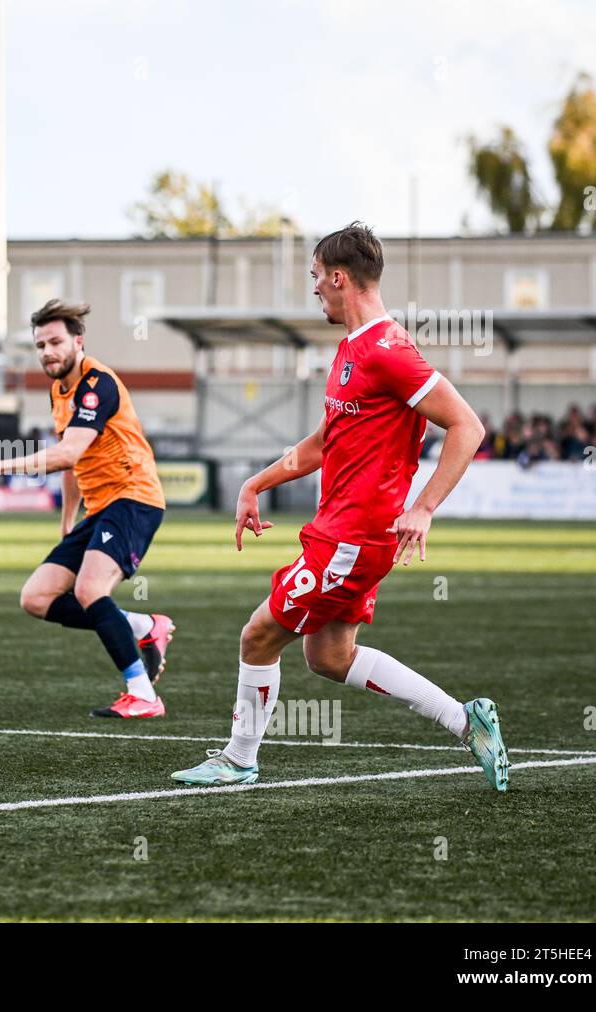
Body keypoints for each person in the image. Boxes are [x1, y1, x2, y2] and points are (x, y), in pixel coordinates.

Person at [169, 223, 509, 792]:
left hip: (351, 539)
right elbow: (322, 445)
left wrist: (424, 507)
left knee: (257, 636)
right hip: (342, 535)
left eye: (314, 279)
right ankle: (463, 718)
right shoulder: (353, 350)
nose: (313, 291)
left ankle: (238, 759)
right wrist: (256, 482)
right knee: (328, 656)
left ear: (338, 277)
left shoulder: (388, 350)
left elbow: (466, 426)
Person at [0, 299, 173, 719]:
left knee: (89, 591)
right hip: (100, 509)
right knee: (37, 597)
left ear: (78, 342)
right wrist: (66, 523)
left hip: (133, 498)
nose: (47, 352)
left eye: (55, 342)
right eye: (40, 345)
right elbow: (73, 462)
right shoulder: (58, 390)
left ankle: (143, 694)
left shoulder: (98, 384)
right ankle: (143, 626)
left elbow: (66, 453)